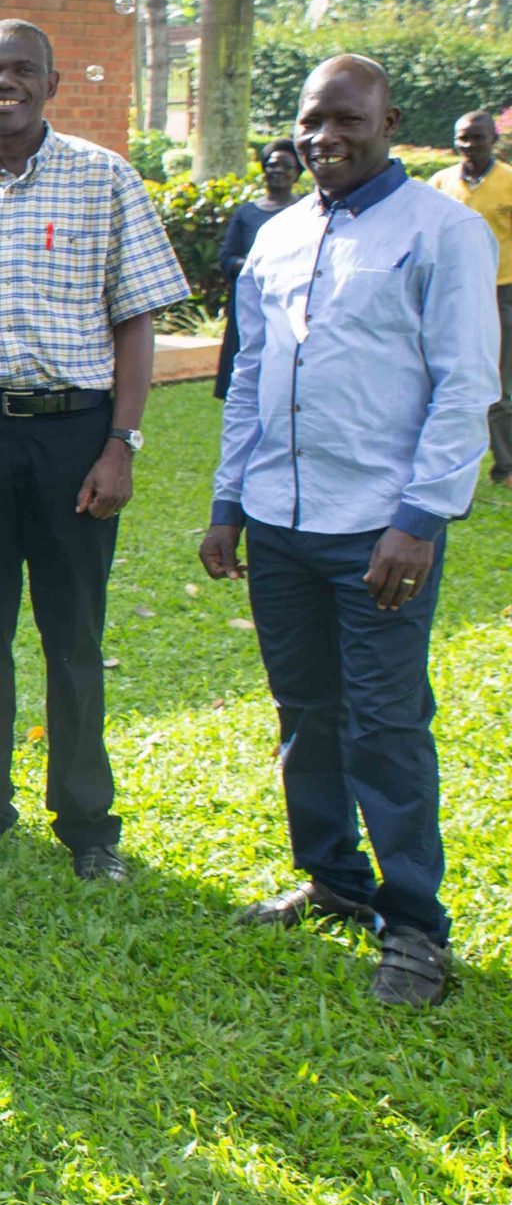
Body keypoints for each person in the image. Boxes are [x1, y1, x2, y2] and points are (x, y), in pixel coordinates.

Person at [203, 55, 499, 1009]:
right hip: (282, 524)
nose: (325, 136)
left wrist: (421, 518)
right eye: (310, 120)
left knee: (386, 722)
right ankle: (332, 875)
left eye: (347, 119)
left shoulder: (443, 233)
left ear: (388, 119)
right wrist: (226, 502)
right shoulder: (280, 235)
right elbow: (249, 379)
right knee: (306, 712)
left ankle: (415, 925)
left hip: (381, 528)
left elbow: (465, 384)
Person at [0, 19, 188, 881]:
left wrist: (121, 443)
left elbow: (138, 318)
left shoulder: (105, 178)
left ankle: (89, 827)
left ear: (53, 83)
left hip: (74, 436)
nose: (3, 83)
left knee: (72, 637)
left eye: (22, 70)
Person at [431, 109, 512, 485]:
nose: (468, 145)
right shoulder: (440, 183)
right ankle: (442, 462)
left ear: (492, 140)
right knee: (448, 380)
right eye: (462, 137)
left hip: (502, 292)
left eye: (476, 137)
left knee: (500, 385)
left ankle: (506, 467)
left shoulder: (509, 182)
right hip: (453, 293)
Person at [213, 138, 303, 399]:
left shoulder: (306, 211)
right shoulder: (246, 213)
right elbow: (227, 258)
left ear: (297, 172)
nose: (277, 171)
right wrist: (259, 267)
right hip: (252, 302)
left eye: (286, 166)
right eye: (272, 165)